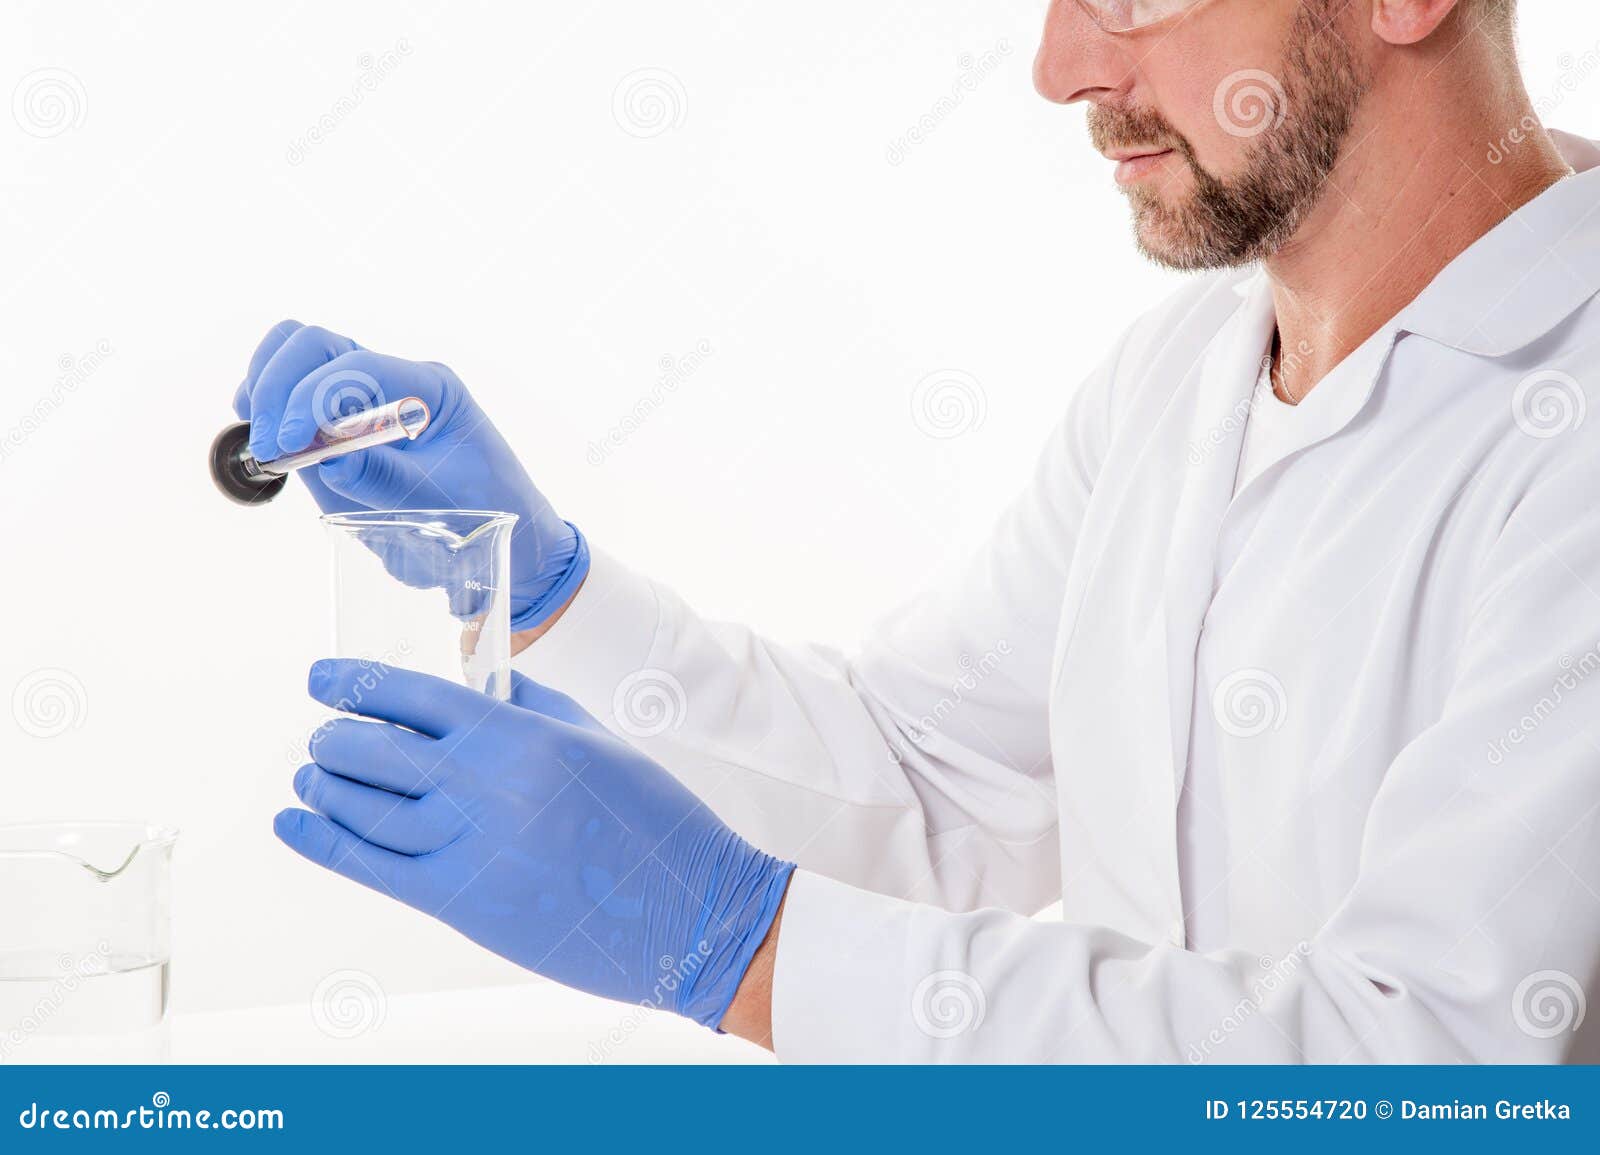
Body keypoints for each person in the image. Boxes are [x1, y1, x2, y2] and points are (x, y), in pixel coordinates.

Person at [239, 0, 1600, 1061]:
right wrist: (552, 595)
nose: (1062, 68)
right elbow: (933, 783)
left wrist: (750, 951)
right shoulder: (1180, 378)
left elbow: (1441, 1063)